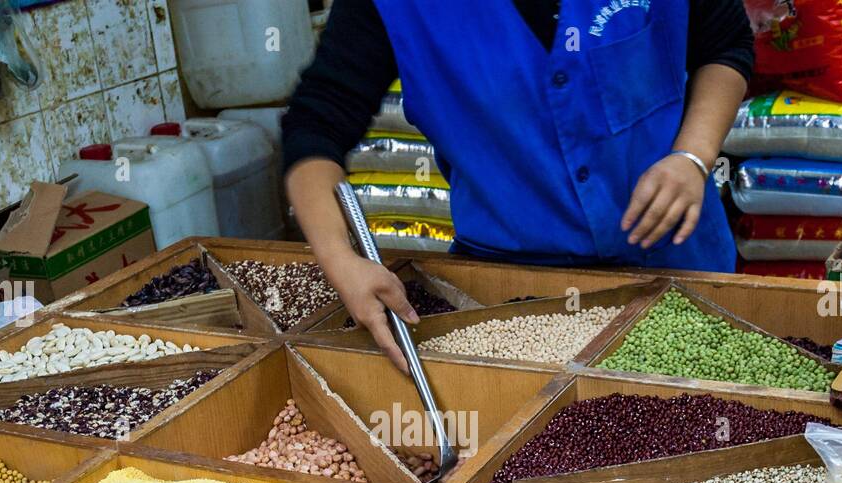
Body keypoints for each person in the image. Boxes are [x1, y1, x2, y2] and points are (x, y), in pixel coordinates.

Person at [282, 0, 753, 370]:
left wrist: (692, 157)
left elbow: (725, 46)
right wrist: (340, 260)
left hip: (682, 263)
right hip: (511, 293)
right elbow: (315, 125)